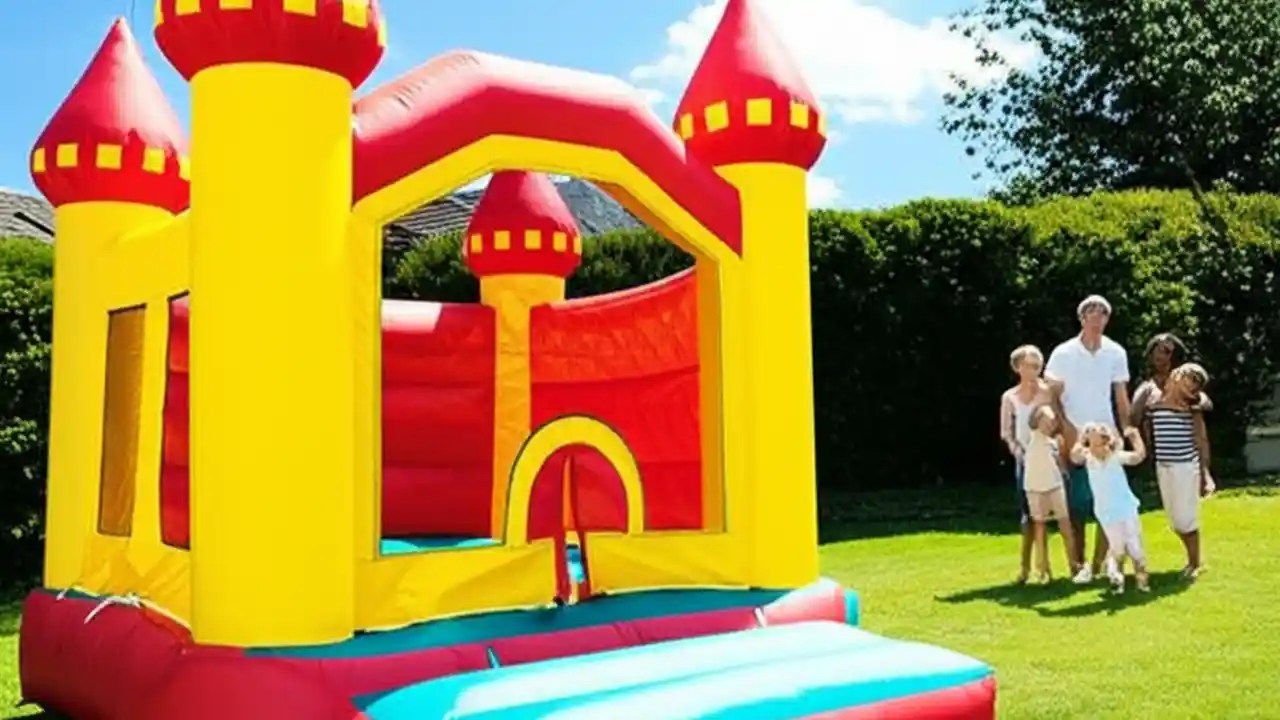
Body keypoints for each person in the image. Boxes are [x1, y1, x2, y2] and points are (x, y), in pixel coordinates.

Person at [1044, 294, 1133, 585]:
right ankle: (1078, 563)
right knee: (1076, 504)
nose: (1097, 320)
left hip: (1105, 438)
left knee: (1108, 504)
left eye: (1102, 315)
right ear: (1081, 318)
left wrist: (1126, 430)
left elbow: (1121, 398)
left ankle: (1099, 565)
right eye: (1091, 314)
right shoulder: (1063, 353)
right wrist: (1066, 430)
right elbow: (1051, 396)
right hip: (1073, 435)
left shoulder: (1115, 352)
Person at [1144, 363, 1215, 579]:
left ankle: (1194, 563)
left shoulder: (1192, 407)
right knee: (1174, 519)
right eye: (1189, 378)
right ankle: (1192, 559)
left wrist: (1206, 473)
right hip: (1163, 465)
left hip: (1185, 466)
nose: (1190, 384)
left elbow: (1201, 439)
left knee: (1187, 518)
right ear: (1176, 375)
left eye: (1196, 383)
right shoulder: (1154, 403)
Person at [1071, 423, 1150, 593]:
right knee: (1117, 548)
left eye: (1098, 441)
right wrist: (1080, 438)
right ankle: (1118, 582)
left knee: (1135, 546)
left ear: (1106, 440)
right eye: (1090, 442)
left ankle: (1142, 583)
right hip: (1106, 511)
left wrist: (1135, 437)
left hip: (1126, 507)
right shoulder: (1088, 459)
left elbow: (1138, 457)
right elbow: (1074, 456)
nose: (1095, 448)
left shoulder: (1116, 457)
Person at [1000, 344, 1054, 584]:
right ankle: (1024, 567)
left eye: (1037, 365)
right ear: (1018, 368)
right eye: (1030, 366)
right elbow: (1006, 432)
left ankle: (1046, 568)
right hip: (1025, 460)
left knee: (1049, 514)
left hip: (1047, 459)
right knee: (1028, 515)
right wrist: (1016, 451)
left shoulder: (1047, 393)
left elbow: (1055, 423)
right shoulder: (1009, 397)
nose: (1034, 370)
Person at [1022, 404, 1079, 582]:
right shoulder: (1029, 438)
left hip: (1054, 485)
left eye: (1051, 422)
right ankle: (1044, 570)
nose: (1049, 425)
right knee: (1039, 526)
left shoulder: (1054, 442)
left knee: (1065, 524)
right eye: (1045, 421)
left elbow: (1061, 463)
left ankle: (1074, 566)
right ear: (1037, 421)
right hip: (1034, 486)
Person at [1130, 332, 1214, 450]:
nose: (1159, 355)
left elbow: (1207, 404)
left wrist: (1195, 400)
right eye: (1156, 350)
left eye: (1166, 351)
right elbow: (1133, 420)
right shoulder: (1146, 388)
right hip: (1158, 454)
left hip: (1187, 452)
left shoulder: (1184, 383)